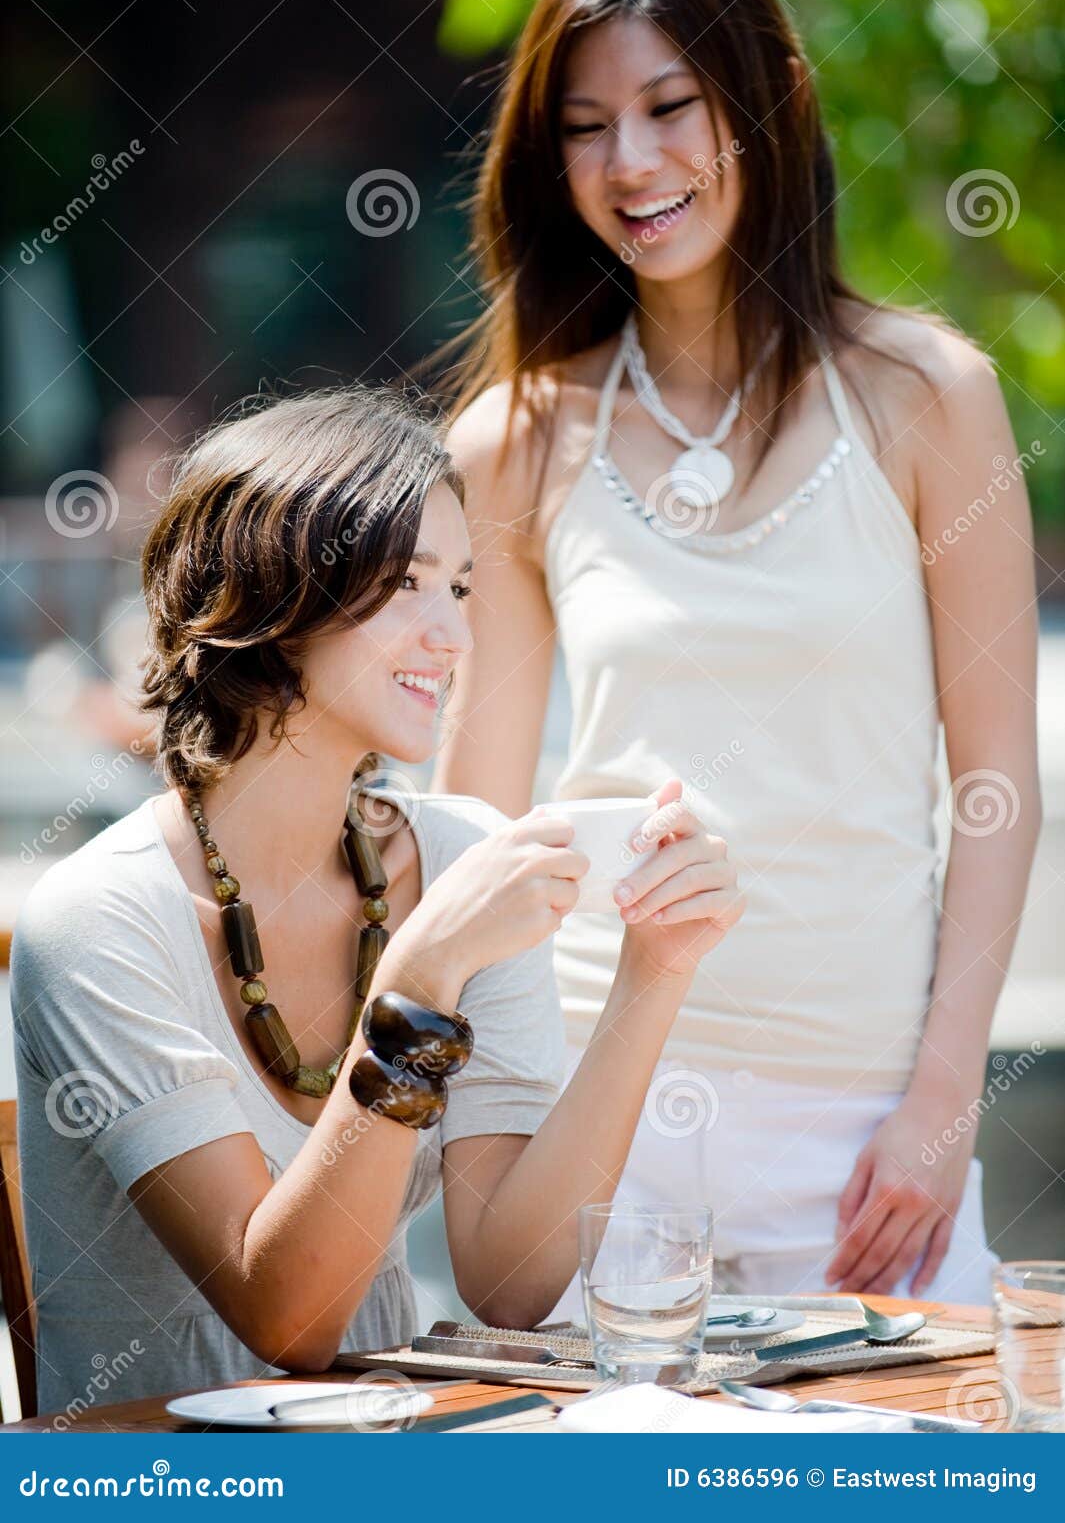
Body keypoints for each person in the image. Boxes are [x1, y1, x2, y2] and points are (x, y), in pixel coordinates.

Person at [432, 0, 1041, 1307]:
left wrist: (941, 1108)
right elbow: (477, 820)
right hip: (604, 1112)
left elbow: (998, 784)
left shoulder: (925, 395)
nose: (629, 163)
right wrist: (487, 1121)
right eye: (585, 127)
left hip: (871, 1134)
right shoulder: (512, 440)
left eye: (668, 107)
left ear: (759, 105)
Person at [11, 387, 744, 1414]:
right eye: (408, 586)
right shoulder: (96, 919)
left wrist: (656, 971)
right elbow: (289, 1319)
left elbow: (511, 1281)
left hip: (395, 1457)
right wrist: (414, 984)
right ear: (273, 594)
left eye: (461, 588)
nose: (453, 637)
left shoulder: (462, 860)